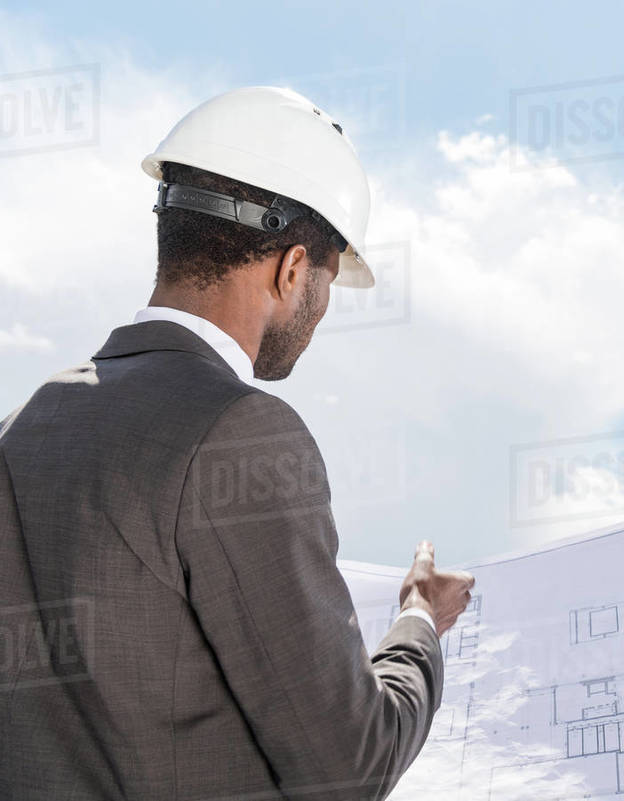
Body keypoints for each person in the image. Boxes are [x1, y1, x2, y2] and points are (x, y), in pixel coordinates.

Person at [0, 86, 474, 800]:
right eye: (324, 282)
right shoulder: (242, 433)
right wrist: (419, 619)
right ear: (290, 270)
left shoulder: (25, 426)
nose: (320, 309)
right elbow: (351, 763)